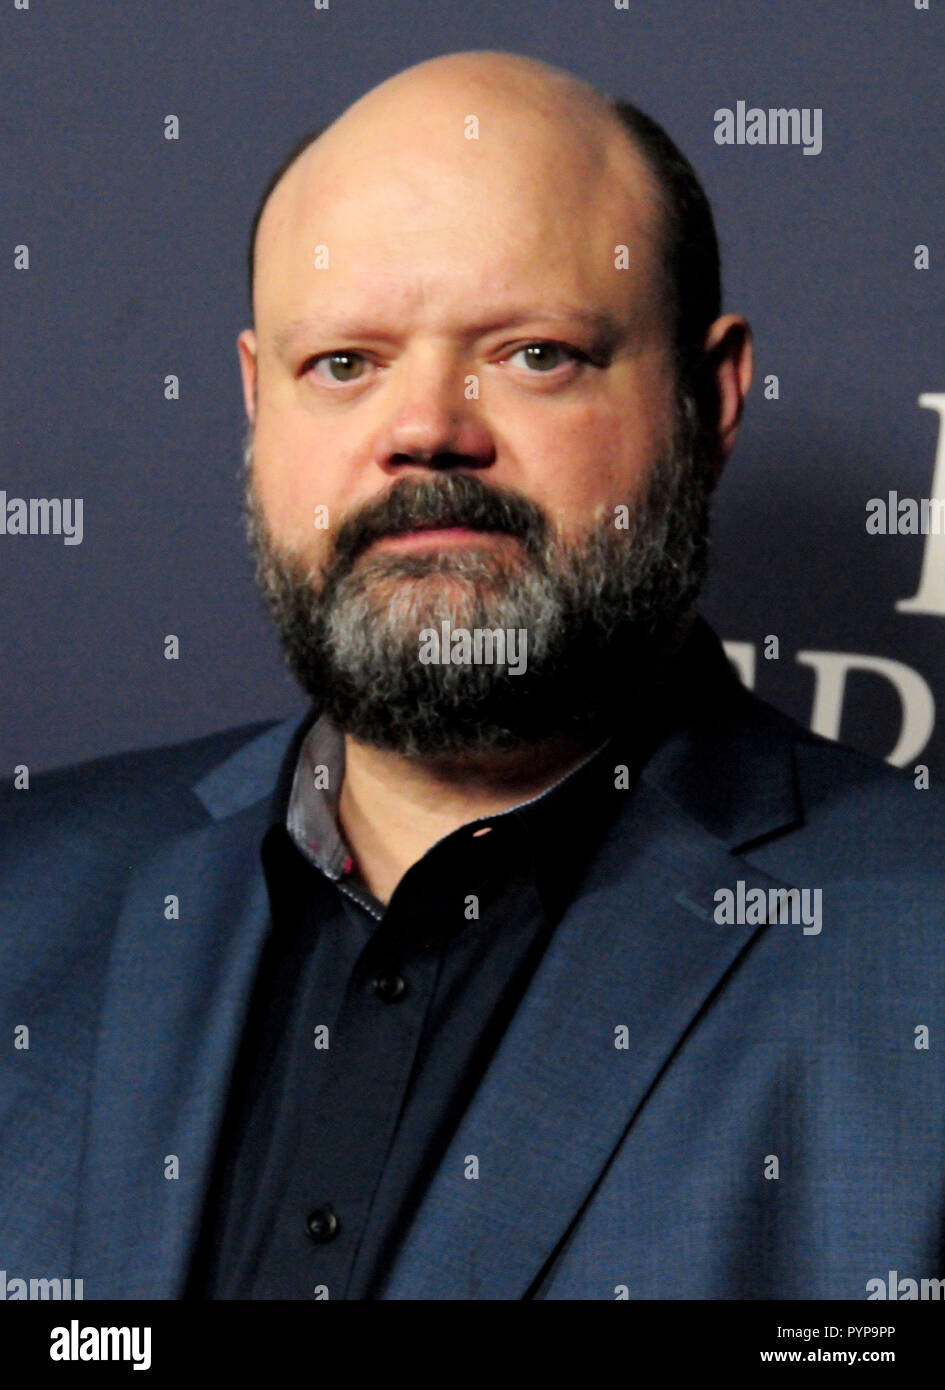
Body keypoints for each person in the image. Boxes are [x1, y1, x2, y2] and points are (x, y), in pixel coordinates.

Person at [3, 50, 944, 1303]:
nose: (427, 426)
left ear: (709, 400)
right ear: (253, 404)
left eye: (535, 352)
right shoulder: (27, 896)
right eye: (344, 363)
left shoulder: (912, 960)